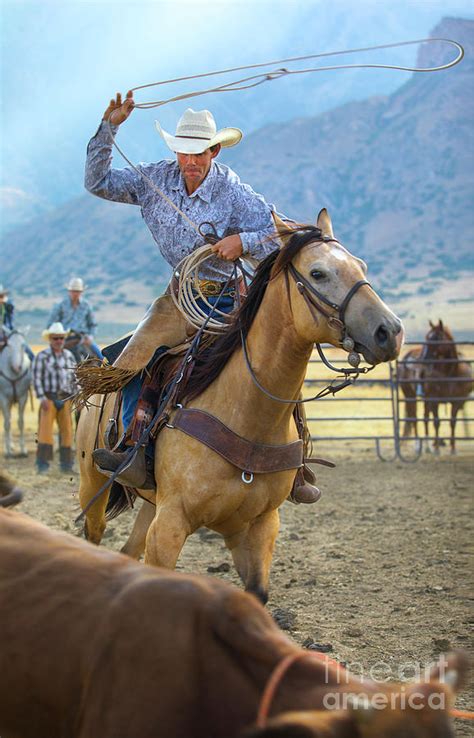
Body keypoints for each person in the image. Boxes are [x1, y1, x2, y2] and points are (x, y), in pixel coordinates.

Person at [84, 93, 319, 503]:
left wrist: (241, 242)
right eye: (184, 152)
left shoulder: (234, 192)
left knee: (272, 356)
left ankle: (293, 461)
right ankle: (133, 449)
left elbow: (278, 236)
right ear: (175, 149)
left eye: (199, 153)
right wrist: (110, 127)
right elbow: (98, 182)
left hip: (230, 297)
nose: (190, 161)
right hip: (180, 298)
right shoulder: (154, 180)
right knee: (132, 360)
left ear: (214, 150)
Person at [32, 322, 77, 474]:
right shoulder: (42, 356)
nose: (59, 341)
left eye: (61, 338)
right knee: (45, 432)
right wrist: (41, 397)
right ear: (50, 339)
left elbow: (74, 378)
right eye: (56, 338)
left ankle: (66, 465)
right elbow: (36, 378)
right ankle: (42, 465)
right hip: (48, 398)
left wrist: (77, 395)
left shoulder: (69, 356)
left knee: (67, 432)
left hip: (65, 399)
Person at [48, 278, 103, 362]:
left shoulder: (86, 305)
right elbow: (52, 323)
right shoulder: (60, 305)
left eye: (77, 291)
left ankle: (105, 368)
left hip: (83, 338)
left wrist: (90, 337)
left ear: (81, 292)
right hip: (64, 337)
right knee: (49, 357)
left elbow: (93, 324)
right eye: (73, 291)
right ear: (69, 291)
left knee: (100, 357)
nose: (75, 293)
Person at [0, 284, 35, 360]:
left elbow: (10, 325)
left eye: (1, 296)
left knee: (23, 346)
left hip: (7, 336)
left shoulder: (7, 307)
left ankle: (34, 364)